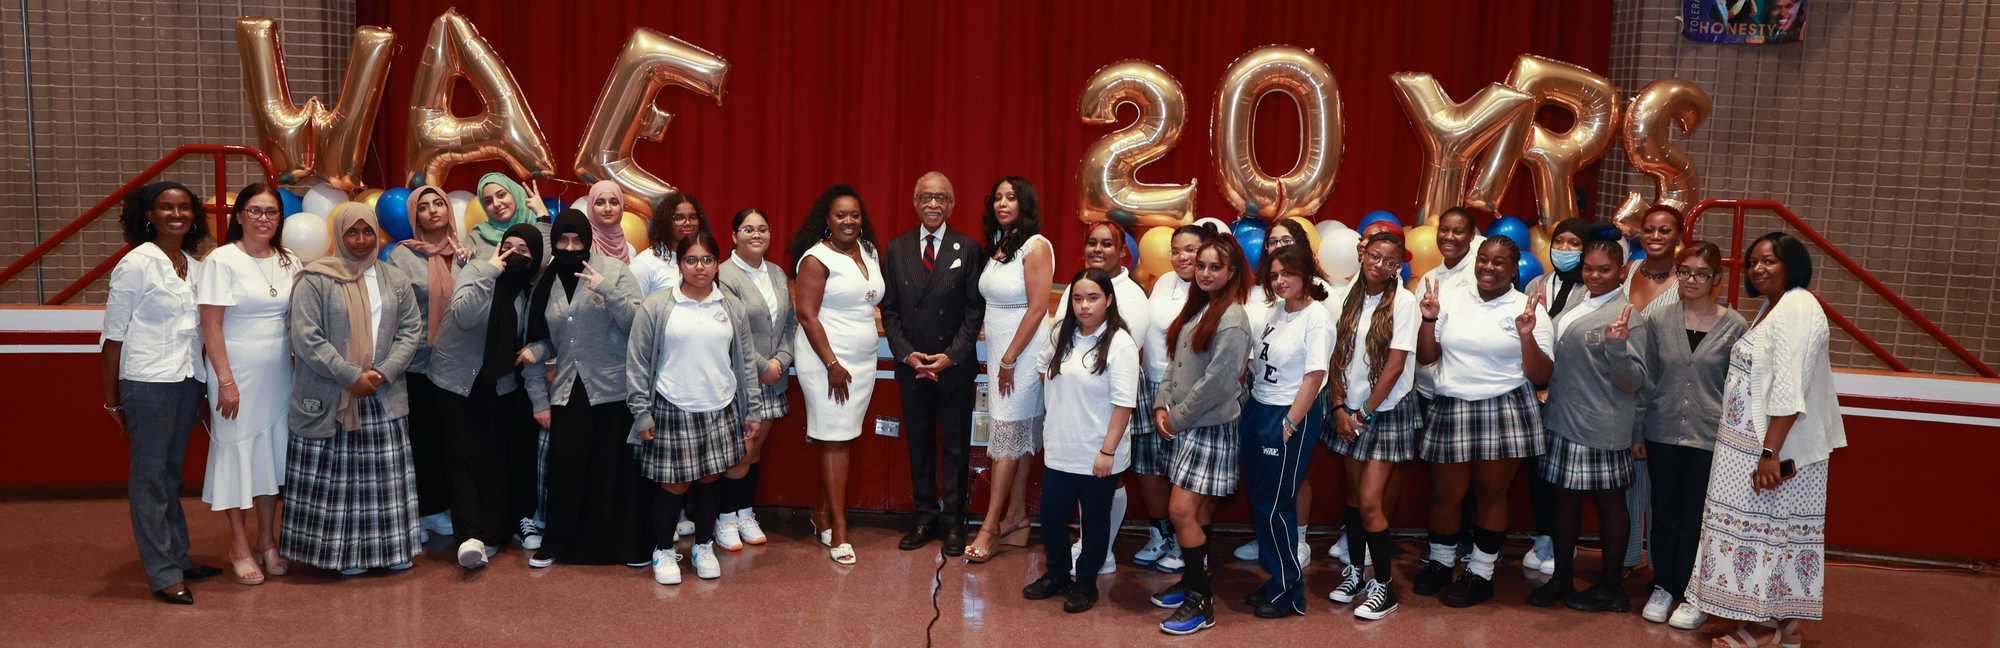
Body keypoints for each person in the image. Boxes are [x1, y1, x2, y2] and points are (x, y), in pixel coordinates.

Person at [1685, 233, 1844, 648]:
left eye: (1769, 261)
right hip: (1750, 448)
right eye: (1753, 262)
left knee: (1768, 535)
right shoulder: (1775, 308)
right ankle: (1784, 624)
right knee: (1776, 534)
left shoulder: (1798, 307)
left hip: (1773, 450)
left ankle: (1760, 627)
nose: (1759, 269)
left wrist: (1770, 453)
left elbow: (1791, 387)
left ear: (1792, 265)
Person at [281, 202, 424, 576]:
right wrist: (349, 375)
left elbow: (411, 330)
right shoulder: (315, 280)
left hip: (382, 393)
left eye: (368, 232)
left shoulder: (393, 278)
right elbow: (306, 338)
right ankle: (343, 556)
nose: (361, 241)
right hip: (333, 394)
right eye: (352, 232)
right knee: (340, 484)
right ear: (338, 236)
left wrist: (383, 372)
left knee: (384, 481)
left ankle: (391, 550)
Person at [1413, 236, 1553, 607]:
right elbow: (1427, 358)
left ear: (1514, 268)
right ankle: (1441, 564)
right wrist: (1428, 320)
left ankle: (1481, 573)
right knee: (1446, 495)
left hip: (1504, 407)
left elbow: (1541, 376)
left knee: (1491, 494)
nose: (1489, 267)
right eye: (1484, 260)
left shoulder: (1528, 306)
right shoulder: (1454, 299)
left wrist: (1526, 335)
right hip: (1452, 402)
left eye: (1499, 262)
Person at [101, 181, 220, 604]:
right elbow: (113, 338)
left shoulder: (195, 264)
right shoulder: (137, 263)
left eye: (184, 208)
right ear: (148, 214)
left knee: (170, 476)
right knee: (149, 479)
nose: (177, 214)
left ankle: (179, 556)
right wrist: (112, 399)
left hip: (187, 381)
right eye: (166, 207)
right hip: (147, 384)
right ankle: (164, 573)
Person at [626, 231, 765, 584]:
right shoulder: (657, 305)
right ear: (679, 264)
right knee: (673, 485)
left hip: (721, 406)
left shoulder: (730, 306)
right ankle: (662, 550)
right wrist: (641, 410)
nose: (699, 267)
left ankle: (704, 544)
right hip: (672, 405)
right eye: (691, 260)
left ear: (717, 263)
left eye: (707, 260)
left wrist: (752, 410)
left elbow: (746, 361)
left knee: (709, 480)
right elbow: (638, 362)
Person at [1626, 242, 1747, 628]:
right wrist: (1638, 428)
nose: (1691, 280)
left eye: (1701, 274)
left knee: (1697, 516)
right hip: (1661, 433)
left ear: (1716, 280)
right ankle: (1664, 586)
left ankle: (1692, 592)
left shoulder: (1735, 326)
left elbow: (1738, 388)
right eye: (1685, 271)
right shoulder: (1659, 320)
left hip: (1710, 439)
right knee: (1664, 513)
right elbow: (1645, 378)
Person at [521, 211, 648, 569]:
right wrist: (538, 396)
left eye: (578, 241)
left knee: (614, 471)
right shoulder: (544, 282)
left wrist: (606, 291)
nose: (571, 248)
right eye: (563, 241)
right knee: (566, 470)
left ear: (589, 241)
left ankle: (625, 547)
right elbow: (543, 340)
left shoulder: (614, 270)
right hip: (566, 389)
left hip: (613, 389)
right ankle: (557, 545)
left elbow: (639, 322)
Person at [1529, 239, 1645, 611]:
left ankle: (1612, 588)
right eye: (1589, 268)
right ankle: (1562, 578)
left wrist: (1616, 347)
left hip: (1602, 426)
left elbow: (1635, 381)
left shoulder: (1628, 315)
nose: (1594, 275)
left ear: (1622, 272)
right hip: (1562, 420)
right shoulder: (1579, 304)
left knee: (1611, 503)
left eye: (1604, 269)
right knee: (1564, 502)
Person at [195, 183, 299, 585]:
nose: (263, 219)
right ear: (238, 216)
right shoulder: (221, 260)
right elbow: (211, 325)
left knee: (271, 459)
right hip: (234, 373)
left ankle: (267, 542)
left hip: (278, 375)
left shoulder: (289, 260)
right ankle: (239, 545)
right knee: (237, 457)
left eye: (271, 212)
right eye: (255, 211)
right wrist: (225, 381)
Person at [1019, 268, 1139, 614]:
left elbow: (1123, 405)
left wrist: (1107, 451)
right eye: (1077, 298)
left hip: (1098, 453)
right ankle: (1057, 575)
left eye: (1093, 298)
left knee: (1094, 522)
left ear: (1108, 301)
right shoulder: (1062, 334)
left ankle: (1085, 583)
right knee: (1052, 518)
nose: (1084, 306)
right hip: (1060, 448)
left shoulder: (1120, 343)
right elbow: (1044, 370)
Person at [1150, 235, 1253, 636]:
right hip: (1186, 423)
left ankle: (1201, 602)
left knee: (1181, 511)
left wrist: (1176, 418)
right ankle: (1194, 582)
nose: (1206, 273)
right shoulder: (1199, 308)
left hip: (1207, 427)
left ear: (1231, 273)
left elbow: (1219, 383)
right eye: (1202, 266)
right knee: (1200, 512)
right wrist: (1161, 403)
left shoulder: (1233, 317)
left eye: (1215, 267)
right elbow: (1174, 363)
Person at [881, 172, 986, 556]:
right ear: (914, 201)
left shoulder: (969, 248)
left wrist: (951, 355)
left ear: (952, 204)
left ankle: (954, 521)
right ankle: (925, 515)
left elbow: (974, 310)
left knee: (956, 447)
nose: (933, 204)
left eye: (941, 198)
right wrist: (907, 354)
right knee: (919, 444)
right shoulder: (896, 248)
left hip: (953, 367)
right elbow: (889, 310)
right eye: (926, 197)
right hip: (913, 366)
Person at [431, 222, 543, 570]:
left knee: (494, 461)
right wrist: (487, 271)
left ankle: (494, 532)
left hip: (501, 384)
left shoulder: (530, 290)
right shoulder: (479, 270)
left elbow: (543, 333)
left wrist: (536, 349)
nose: (514, 255)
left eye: (524, 250)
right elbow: (463, 315)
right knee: (462, 461)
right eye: (508, 246)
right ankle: (469, 537)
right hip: (456, 382)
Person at [1324, 232, 1420, 620]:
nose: (1379, 265)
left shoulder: (1406, 301)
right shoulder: (1346, 294)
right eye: (1374, 257)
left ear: (1398, 265)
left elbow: (1396, 365)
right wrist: (1338, 406)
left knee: (1369, 502)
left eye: (1389, 261)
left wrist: (1363, 412)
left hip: (1384, 413)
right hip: (1347, 410)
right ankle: (1356, 572)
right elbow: (1334, 353)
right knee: (1350, 496)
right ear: (1362, 255)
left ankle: (1384, 586)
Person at [789, 184, 885, 565]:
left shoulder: (869, 251)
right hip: (827, 360)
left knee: (841, 438)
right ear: (826, 220)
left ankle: (822, 514)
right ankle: (840, 531)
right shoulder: (815, 259)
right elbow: (807, 315)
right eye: (841, 215)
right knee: (835, 440)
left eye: (855, 214)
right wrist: (831, 363)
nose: (849, 221)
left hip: (861, 358)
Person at [1239, 242, 1333, 618]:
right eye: (1274, 275)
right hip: (1260, 407)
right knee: (1262, 501)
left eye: (1287, 274)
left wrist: (1291, 422)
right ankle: (1275, 579)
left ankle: (1290, 591)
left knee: (1277, 504)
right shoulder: (1276, 311)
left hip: (1291, 413)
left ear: (1305, 274)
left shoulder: (1317, 317)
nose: (1279, 281)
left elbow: (1315, 375)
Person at [965, 177, 1053, 563]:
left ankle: (989, 526)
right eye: (998, 197)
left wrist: (1009, 358)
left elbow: (1037, 308)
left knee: (1004, 439)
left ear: (1025, 204)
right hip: (1006, 350)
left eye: (1011, 197)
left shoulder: (1036, 246)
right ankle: (1017, 519)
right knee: (1016, 437)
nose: (1002, 203)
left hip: (1023, 352)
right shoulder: (1001, 246)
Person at [1056, 221, 1146, 576]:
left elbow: (1123, 356)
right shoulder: (1075, 284)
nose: (1098, 249)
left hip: (1109, 407)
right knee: (1082, 485)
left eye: (1107, 244)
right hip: (1076, 408)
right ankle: (1091, 547)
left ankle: (1103, 551)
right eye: (1092, 242)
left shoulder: (1132, 296)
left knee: (1109, 481)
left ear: (1122, 251)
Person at [1520, 216, 1602, 576]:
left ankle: (1563, 542)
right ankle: (1542, 536)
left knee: (1566, 477)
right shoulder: (1537, 283)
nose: (1565, 250)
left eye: (1574, 243)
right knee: (1537, 473)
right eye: (1560, 242)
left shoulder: (1592, 289)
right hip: (1532, 395)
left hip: (1572, 396)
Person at [385, 185, 466, 542]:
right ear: (414, 216)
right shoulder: (402, 257)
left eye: (439, 204)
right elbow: (394, 314)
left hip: (461, 364)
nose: (432, 211)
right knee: (422, 439)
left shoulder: (467, 252)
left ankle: (449, 507)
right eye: (424, 207)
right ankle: (425, 511)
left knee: (455, 440)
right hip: (418, 363)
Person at [1134, 223, 1216, 576]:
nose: (1182, 257)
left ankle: (1193, 545)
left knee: (1190, 477)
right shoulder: (1163, 282)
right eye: (1177, 249)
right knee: (1149, 468)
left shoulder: (1211, 291)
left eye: (1191, 250)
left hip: (1189, 397)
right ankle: (1162, 536)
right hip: (1153, 387)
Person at [713, 207, 794, 550]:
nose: (757, 235)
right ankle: (725, 517)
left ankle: (745, 512)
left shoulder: (776, 272)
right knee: (740, 451)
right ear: (733, 236)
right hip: (742, 379)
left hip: (774, 378)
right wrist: (764, 365)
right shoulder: (724, 274)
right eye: (748, 229)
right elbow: (733, 328)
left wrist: (782, 360)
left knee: (756, 450)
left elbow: (789, 324)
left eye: (763, 228)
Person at [631, 192, 711, 297]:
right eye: (679, 218)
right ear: (666, 222)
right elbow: (632, 309)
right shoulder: (645, 262)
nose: (687, 223)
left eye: (693, 217)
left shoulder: (708, 260)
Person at [463, 172, 551, 261]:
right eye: (488, 201)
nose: (496, 204)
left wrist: (543, 215)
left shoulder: (539, 226)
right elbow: (458, 273)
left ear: (515, 194)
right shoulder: (476, 237)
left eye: (501, 195)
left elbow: (545, 264)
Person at [585, 180, 638, 263]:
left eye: (614, 203)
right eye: (600, 203)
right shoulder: (583, 246)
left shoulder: (630, 250)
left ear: (621, 207)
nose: (608, 209)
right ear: (590, 208)